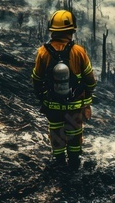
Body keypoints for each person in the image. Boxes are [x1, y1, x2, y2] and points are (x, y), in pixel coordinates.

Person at [32, 9, 97, 170]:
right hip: (74, 105)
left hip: (52, 106)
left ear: (52, 31)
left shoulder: (42, 52)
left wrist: (43, 99)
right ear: (71, 31)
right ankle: (74, 164)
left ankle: (59, 162)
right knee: (74, 136)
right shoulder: (79, 51)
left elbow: (37, 79)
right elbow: (90, 80)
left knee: (56, 132)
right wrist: (87, 100)